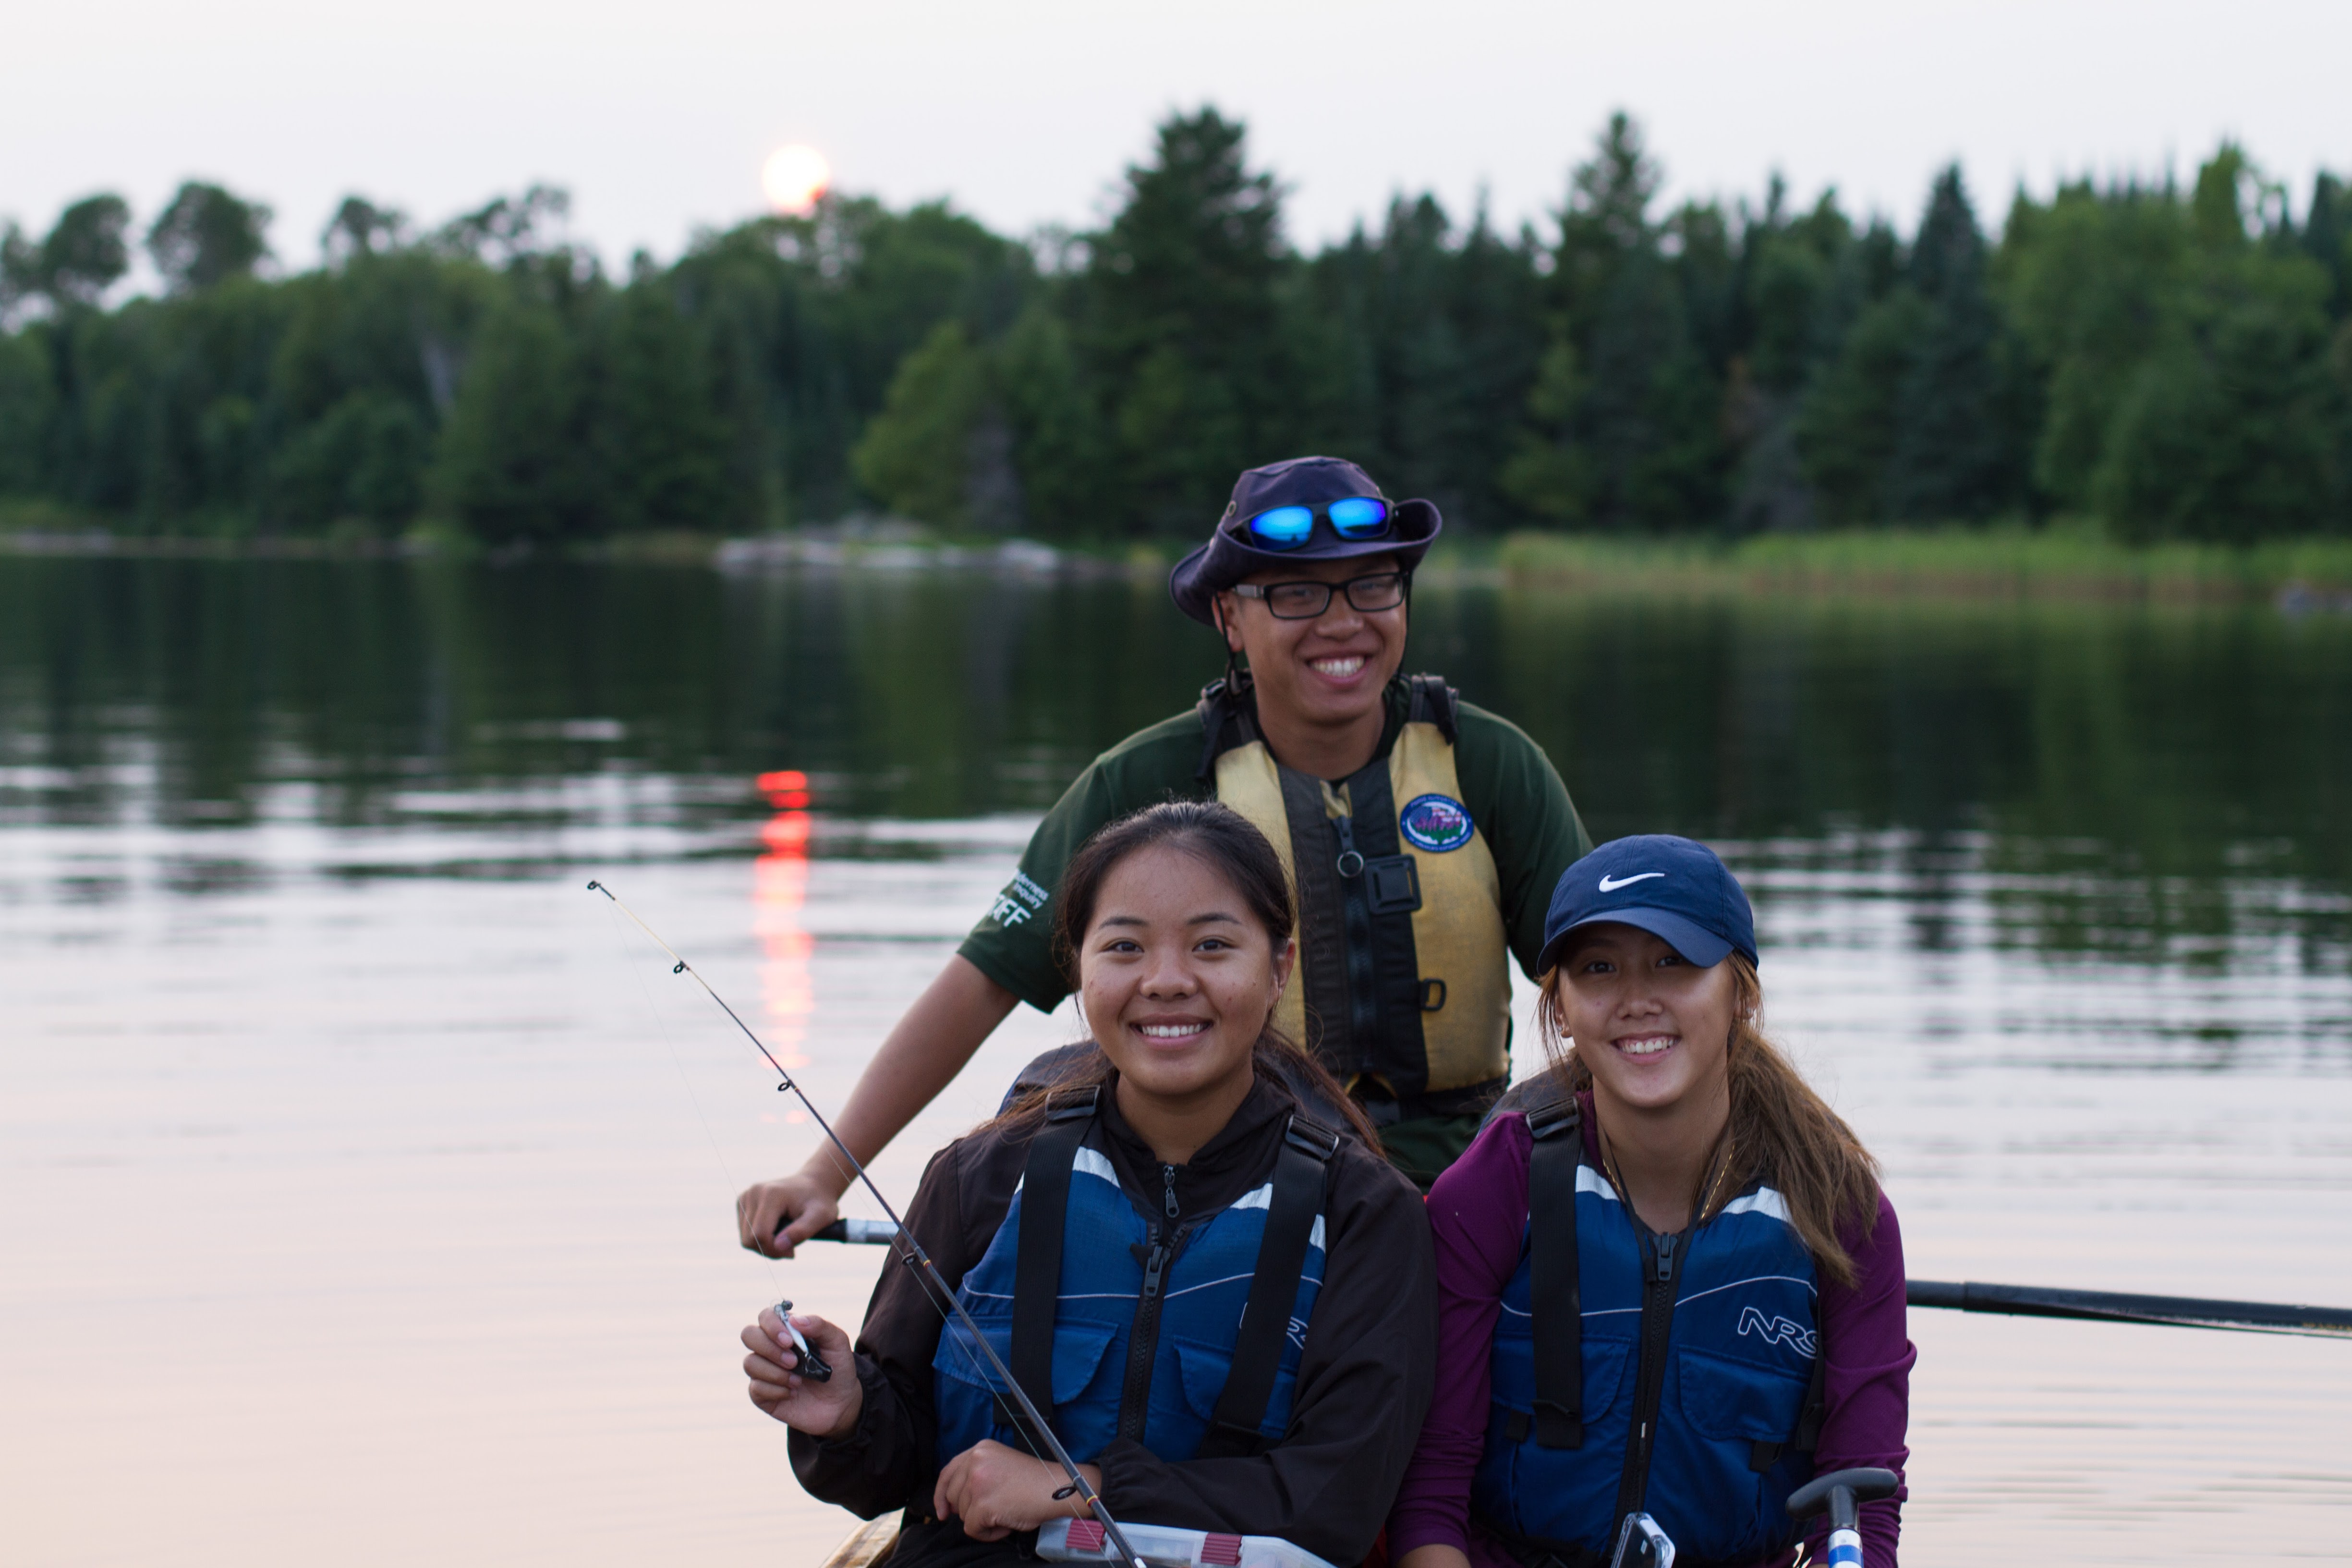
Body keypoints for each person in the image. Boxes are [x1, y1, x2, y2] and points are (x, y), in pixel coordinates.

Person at [740, 455, 1590, 1252]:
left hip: (1459, 1194)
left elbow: (1608, 979)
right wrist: (824, 1172)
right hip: (1237, 1192)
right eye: (1295, 594)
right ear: (1229, 614)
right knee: (1054, 1082)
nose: (1343, 623)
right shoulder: (1142, 780)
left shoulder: (1487, 763)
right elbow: (985, 978)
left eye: (1372, 585)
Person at [740, 801, 1435, 1567]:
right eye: (1125, 946)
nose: (1166, 981)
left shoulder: (1367, 1212)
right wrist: (845, 1414)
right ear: (1078, 969)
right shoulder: (977, 1177)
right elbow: (895, 1468)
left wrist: (1084, 1489)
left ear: (1279, 968)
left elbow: (1336, 1500)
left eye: (1211, 945)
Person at [1389, 835, 1914, 1568]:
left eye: (1674, 962)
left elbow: (1860, 1502)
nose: (1637, 1000)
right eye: (1598, 968)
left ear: (1741, 994)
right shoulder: (1494, 1184)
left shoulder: (1840, 1212)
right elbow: (1431, 1488)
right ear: (1561, 1008)